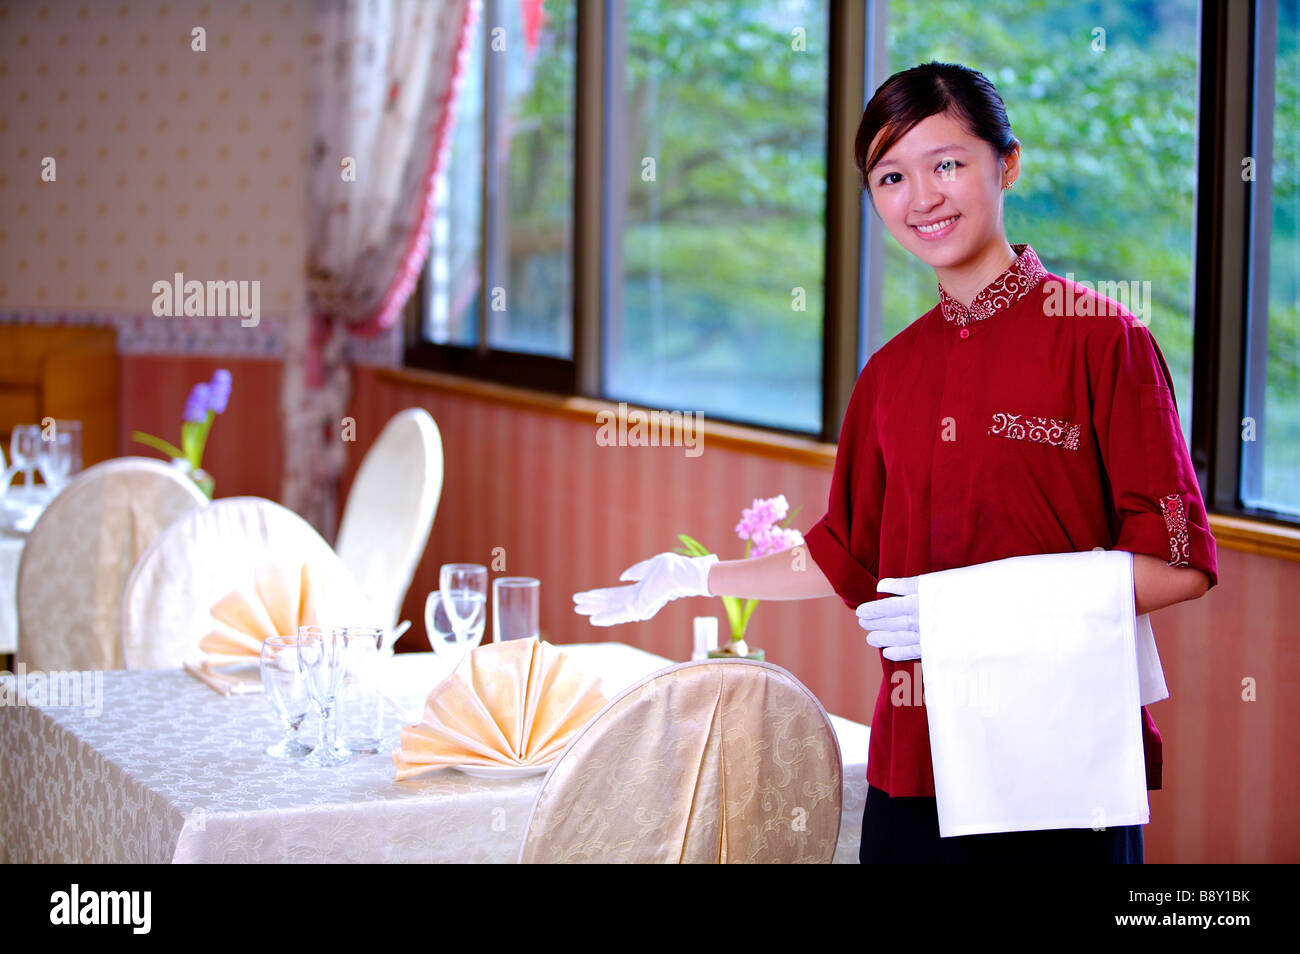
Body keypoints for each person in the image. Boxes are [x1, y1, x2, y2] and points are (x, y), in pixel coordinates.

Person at [573, 61, 1218, 864]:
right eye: (890, 176)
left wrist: (973, 608)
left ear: (1006, 162)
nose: (923, 198)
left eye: (947, 163)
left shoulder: (1103, 341)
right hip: (917, 766)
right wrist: (694, 577)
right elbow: (848, 554)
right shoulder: (891, 373)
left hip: (1057, 763)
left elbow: (1179, 563)